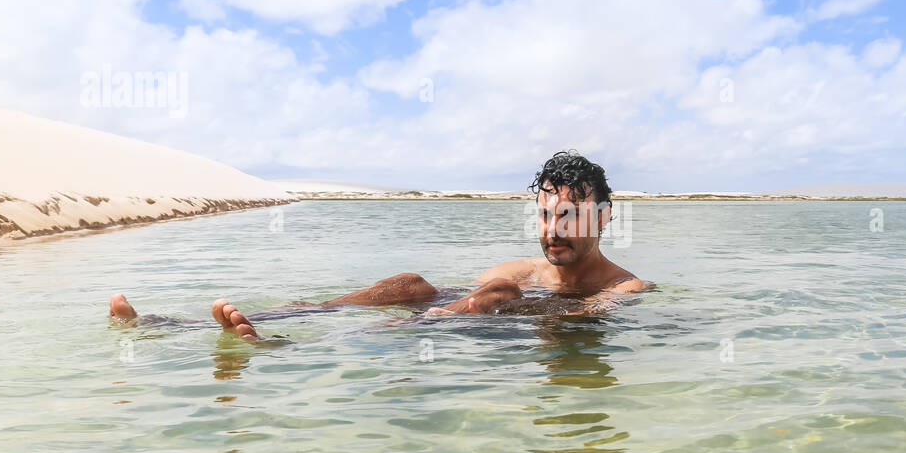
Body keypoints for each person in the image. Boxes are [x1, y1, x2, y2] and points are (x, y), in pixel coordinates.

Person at [109, 151, 649, 341]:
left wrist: (486, 305)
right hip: (471, 318)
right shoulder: (520, 267)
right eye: (545, 214)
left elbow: (583, 320)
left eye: (569, 215)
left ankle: (292, 349)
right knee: (411, 282)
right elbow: (464, 299)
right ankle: (193, 323)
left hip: (520, 330)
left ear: (603, 217)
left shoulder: (625, 286)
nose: (552, 228)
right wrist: (445, 306)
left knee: (497, 292)